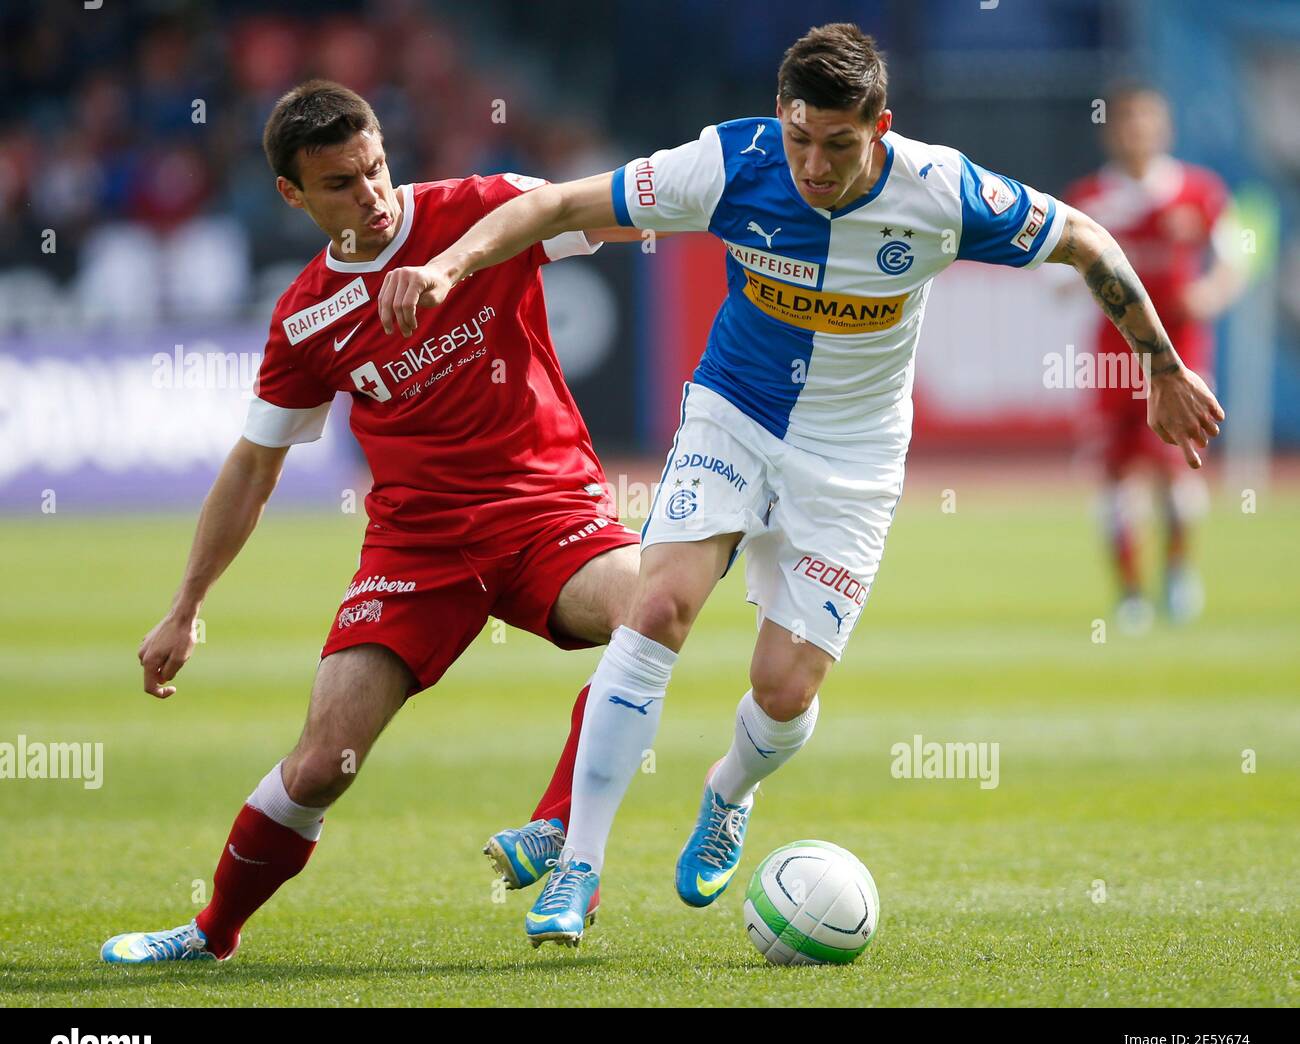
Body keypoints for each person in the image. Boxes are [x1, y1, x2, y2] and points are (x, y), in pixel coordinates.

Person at [411, 23, 1226, 948]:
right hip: (734, 417)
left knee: (786, 687)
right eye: (799, 138)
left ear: (882, 125)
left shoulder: (942, 190)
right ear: (779, 118)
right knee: (659, 606)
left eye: (839, 144)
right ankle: (581, 865)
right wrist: (446, 264)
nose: (814, 164)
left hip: (854, 460)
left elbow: (1082, 238)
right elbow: (558, 205)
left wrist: (1158, 362)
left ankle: (728, 792)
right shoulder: (731, 163)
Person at [101, 79, 642, 963]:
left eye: (378, 167)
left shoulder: (479, 213)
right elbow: (251, 469)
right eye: (343, 184)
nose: (374, 196)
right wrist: (186, 602)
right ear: (293, 194)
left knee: (651, 604)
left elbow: (602, 202)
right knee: (321, 766)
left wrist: (733, 196)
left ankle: (557, 831)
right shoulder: (306, 317)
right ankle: (211, 932)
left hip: (550, 514)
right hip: (418, 548)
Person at [1064, 83, 1242, 631]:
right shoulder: (1091, 199)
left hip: (1181, 358)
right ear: (1110, 129)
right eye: (1125, 121)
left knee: (1175, 472)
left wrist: (1211, 294)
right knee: (1117, 476)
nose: (1136, 131)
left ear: (1163, 127)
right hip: (1114, 359)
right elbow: (1054, 272)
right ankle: (1130, 593)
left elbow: (1234, 258)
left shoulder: (1199, 193)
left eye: (1146, 120)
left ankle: (1178, 572)